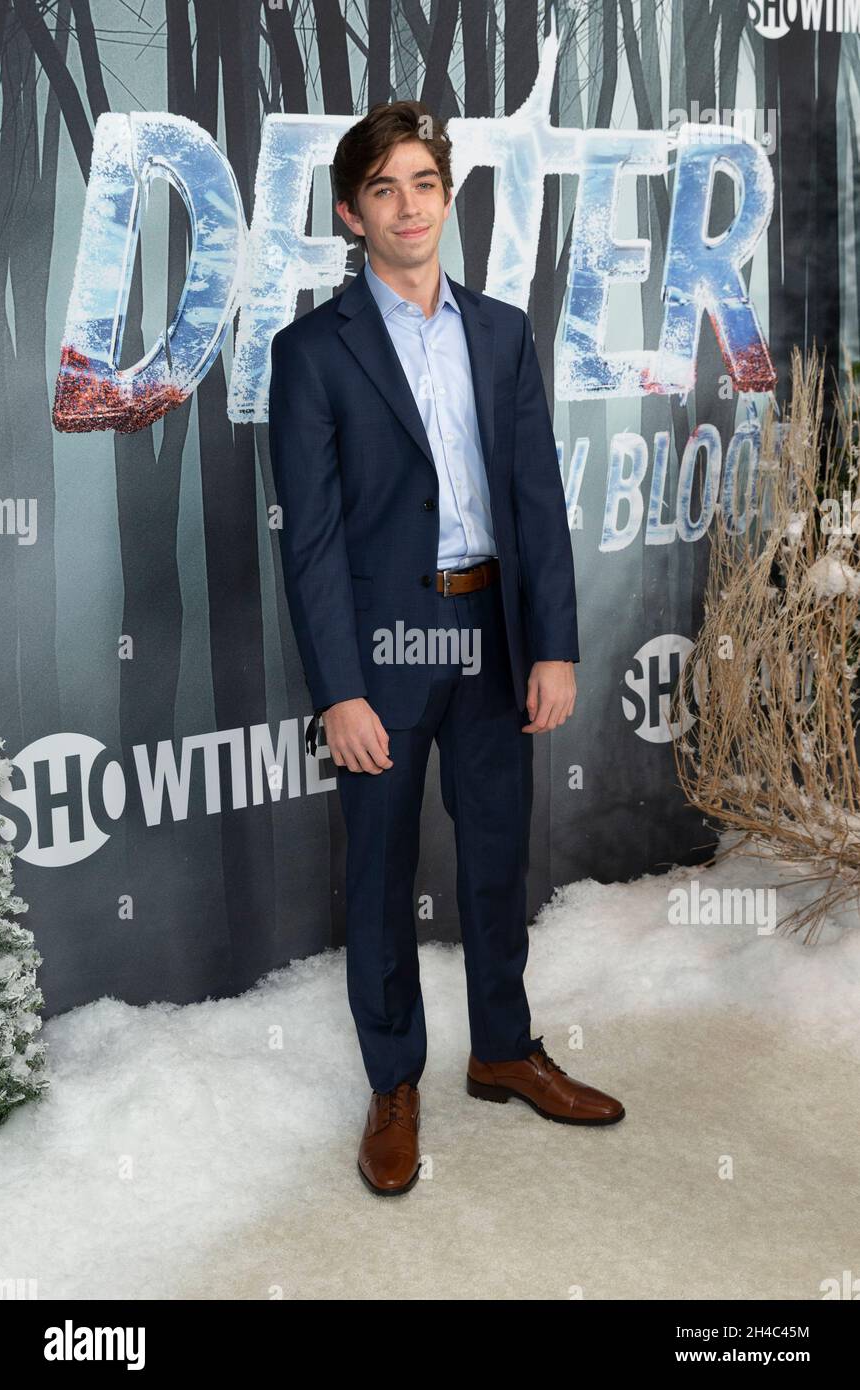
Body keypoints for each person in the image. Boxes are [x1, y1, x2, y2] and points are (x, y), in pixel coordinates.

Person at [268, 99, 624, 1197]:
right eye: (383, 188)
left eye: (423, 182)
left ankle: (503, 1049)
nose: (407, 204)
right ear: (350, 213)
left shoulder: (500, 331)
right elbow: (313, 542)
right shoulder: (309, 354)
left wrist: (551, 646)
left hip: (492, 630)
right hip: (379, 645)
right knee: (376, 871)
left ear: (446, 198)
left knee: (495, 855)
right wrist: (338, 692)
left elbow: (534, 497)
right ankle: (392, 1083)